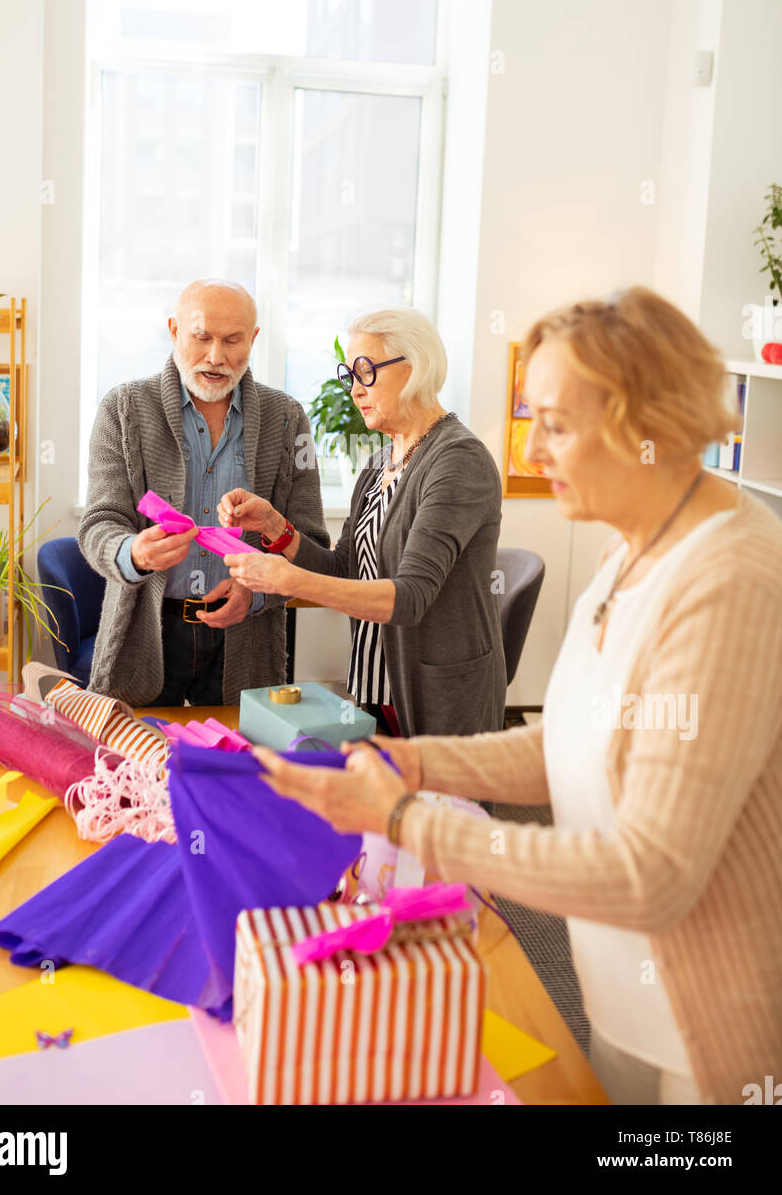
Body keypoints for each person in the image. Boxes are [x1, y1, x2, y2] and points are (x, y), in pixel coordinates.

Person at [246, 287, 782, 1106]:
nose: (531, 455)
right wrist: (406, 762)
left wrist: (402, 817)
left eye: (556, 425)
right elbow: (567, 738)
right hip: (620, 999)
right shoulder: (631, 550)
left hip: (704, 1024)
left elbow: (651, 875)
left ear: (650, 425)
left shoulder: (731, 581)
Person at [219, 306, 507, 738]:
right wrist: (277, 528)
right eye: (349, 374)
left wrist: (287, 580)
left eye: (366, 372)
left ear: (416, 368)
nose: (355, 390)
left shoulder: (458, 460)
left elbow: (409, 599)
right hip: (378, 691)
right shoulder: (379, 463)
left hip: (440, 698)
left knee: (437, 807)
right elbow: (344, 570)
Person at [79, 280, 329, 707]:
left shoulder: (288, 419)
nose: (216, 357)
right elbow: (98, 524)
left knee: (240, 766)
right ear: (174, 330)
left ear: (253, 339)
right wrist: (134, 552)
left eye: (232, 340)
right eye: (201, 337)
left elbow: (313, 547)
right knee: (137, 764)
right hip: (147, 631)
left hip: (246, 640)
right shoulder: (122, 408)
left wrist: (259, 593)